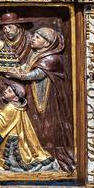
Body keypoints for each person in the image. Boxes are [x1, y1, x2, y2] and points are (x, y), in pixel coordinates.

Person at [10, 25, 75, 172]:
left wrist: (18, 75)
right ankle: (36, 152)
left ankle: (50, 153)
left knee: (47, 125)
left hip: (49, 101)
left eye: (37, 37)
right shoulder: (36, 54)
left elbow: (36, 74)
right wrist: (18, 69)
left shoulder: (52, 58)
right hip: (34, 96)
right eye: (33, 36)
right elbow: (28, 66)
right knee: (35, 123)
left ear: (47, 43)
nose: (33, 39)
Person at [0, 82, 54, 173]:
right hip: (20, 139)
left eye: (9, 91)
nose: (5, 91)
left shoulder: (10, 107)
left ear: (16, 98)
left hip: (12, 142)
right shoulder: (18, 107)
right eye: (7, 89)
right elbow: (9, 118)